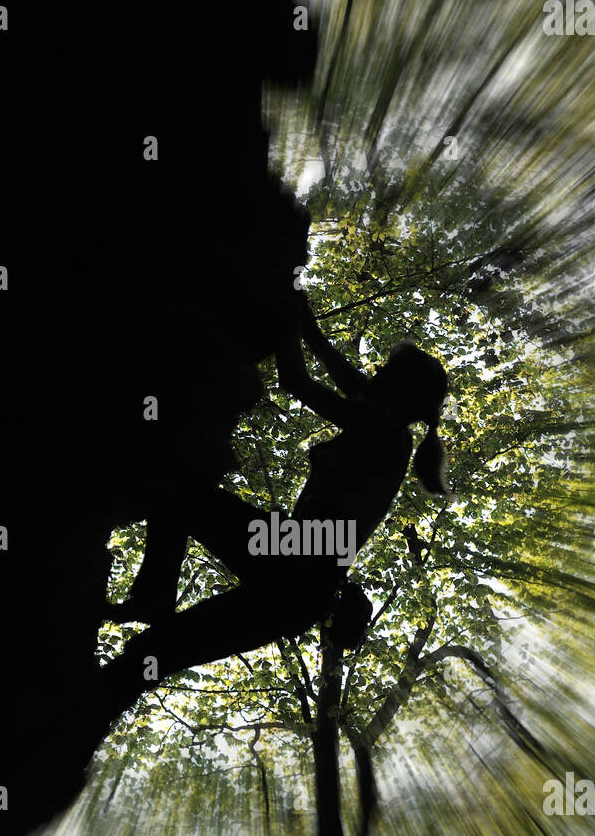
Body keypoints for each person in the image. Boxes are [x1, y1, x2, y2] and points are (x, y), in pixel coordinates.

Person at [99, 298, 450, 727]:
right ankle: (149, 603)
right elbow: (348, 379)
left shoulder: (385, 434)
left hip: (296, 562)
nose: (373, 372)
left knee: (181, 495)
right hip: (299, 573)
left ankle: (147, 607)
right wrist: (308, 328)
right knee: (181, 499)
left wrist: (287, 319)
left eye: (384, 371)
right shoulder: (387, 428)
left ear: (397, 390)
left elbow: (296, 381)